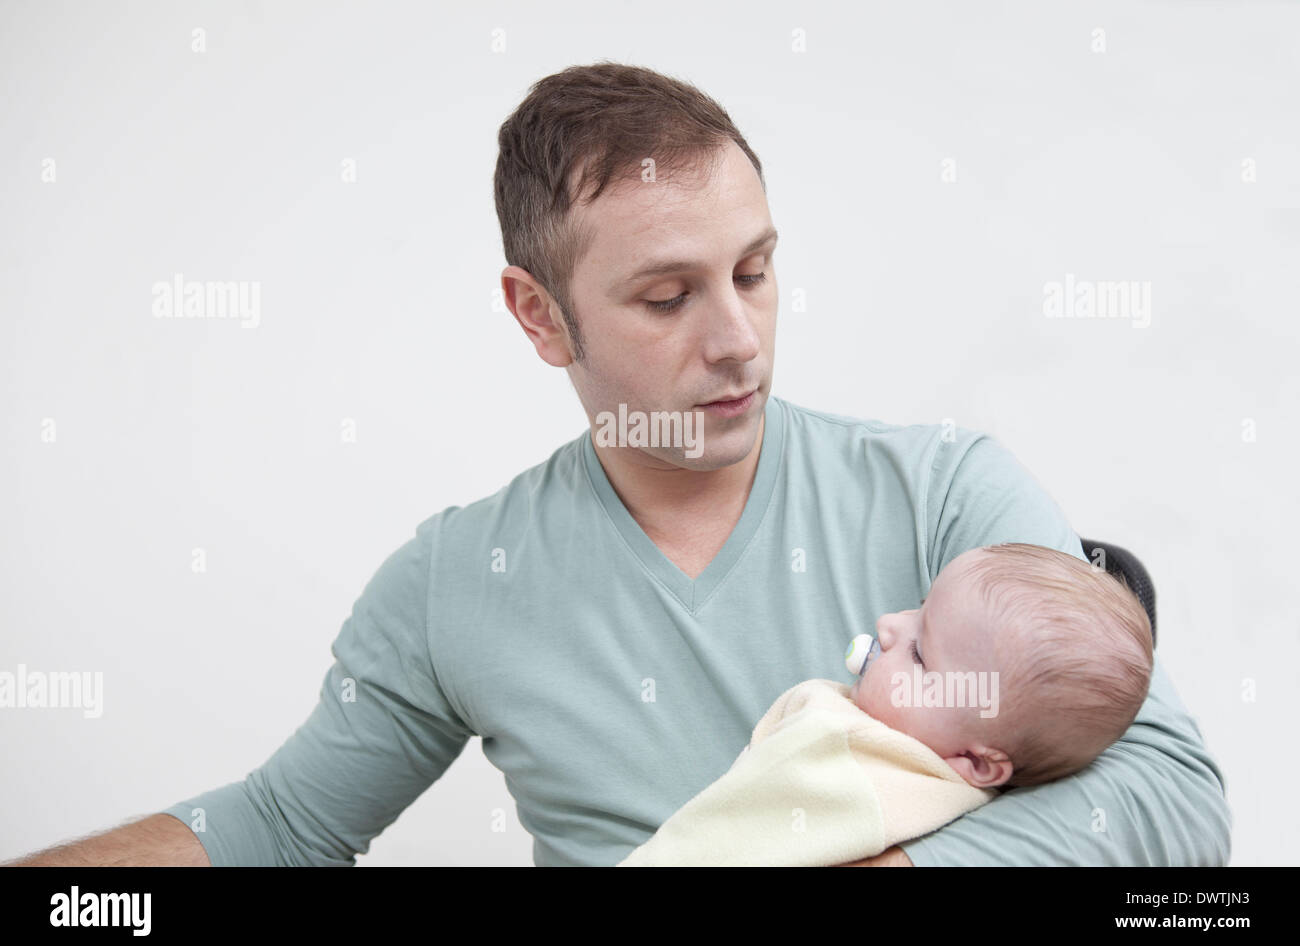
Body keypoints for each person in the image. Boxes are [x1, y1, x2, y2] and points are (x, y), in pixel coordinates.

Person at [5, 61, 1230, 868]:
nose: (737, 337)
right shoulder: (459, 578)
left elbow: (1177, 800)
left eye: (753, 270)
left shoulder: (947, 494)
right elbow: (277, 825)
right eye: (666, 295)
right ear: (539, 317)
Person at [617, 542, 1156, 866]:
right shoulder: (943, 776)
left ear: (973, 763)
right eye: (919, 608)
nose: (889, 625)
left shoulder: (854, 775)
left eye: (921, 654)